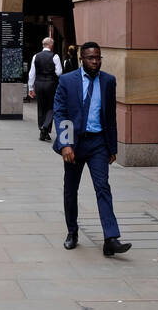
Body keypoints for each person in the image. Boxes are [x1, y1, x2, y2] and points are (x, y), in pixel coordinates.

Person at [52, 41, 131, 257]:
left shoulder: (108, 81)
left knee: (102, 187)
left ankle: (111, 238)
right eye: (90, 58)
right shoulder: (67, 81)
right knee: (71, 190)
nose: (95, 62)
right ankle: (72, 232)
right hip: (75, 144)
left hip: (98, 144)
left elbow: (111, 117)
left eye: (98, 58)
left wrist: (112, 147)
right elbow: (60, 112)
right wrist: (66, 143)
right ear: (82, 59)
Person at [28, 36, 63, 141]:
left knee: (41, 107)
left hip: (38, 83)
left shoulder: (35, 56)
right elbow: (59, 72)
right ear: (51, 45)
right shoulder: (55, 56)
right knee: (51, 107)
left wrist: (30, 87)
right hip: (51, 84)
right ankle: (45, 127)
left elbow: (31, 73)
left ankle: (43, 131)